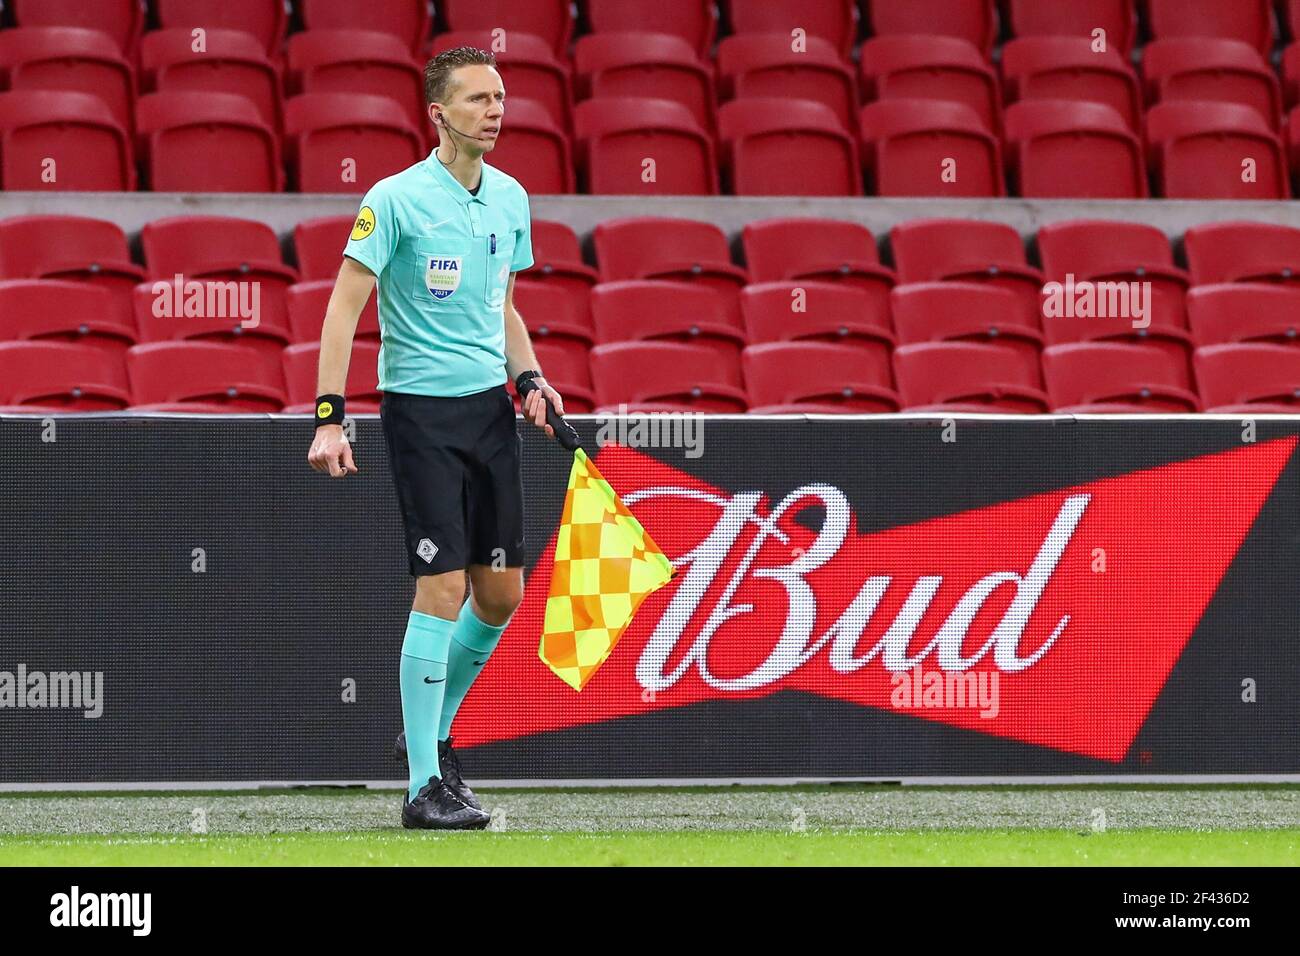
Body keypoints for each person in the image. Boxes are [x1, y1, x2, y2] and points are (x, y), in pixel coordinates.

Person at [307, 47, 564, 830]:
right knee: (442, 590)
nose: (496, 109)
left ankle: (431, 736)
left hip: (490, 413)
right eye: (479, 98)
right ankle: (425, 783)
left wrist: (531, 380)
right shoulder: (394, 201)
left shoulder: (512, 198)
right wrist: (328, 416)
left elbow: (503, 308)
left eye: (500, 96)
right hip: (419, 415)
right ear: (438, 114)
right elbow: (344, 309)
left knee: (501, 593)